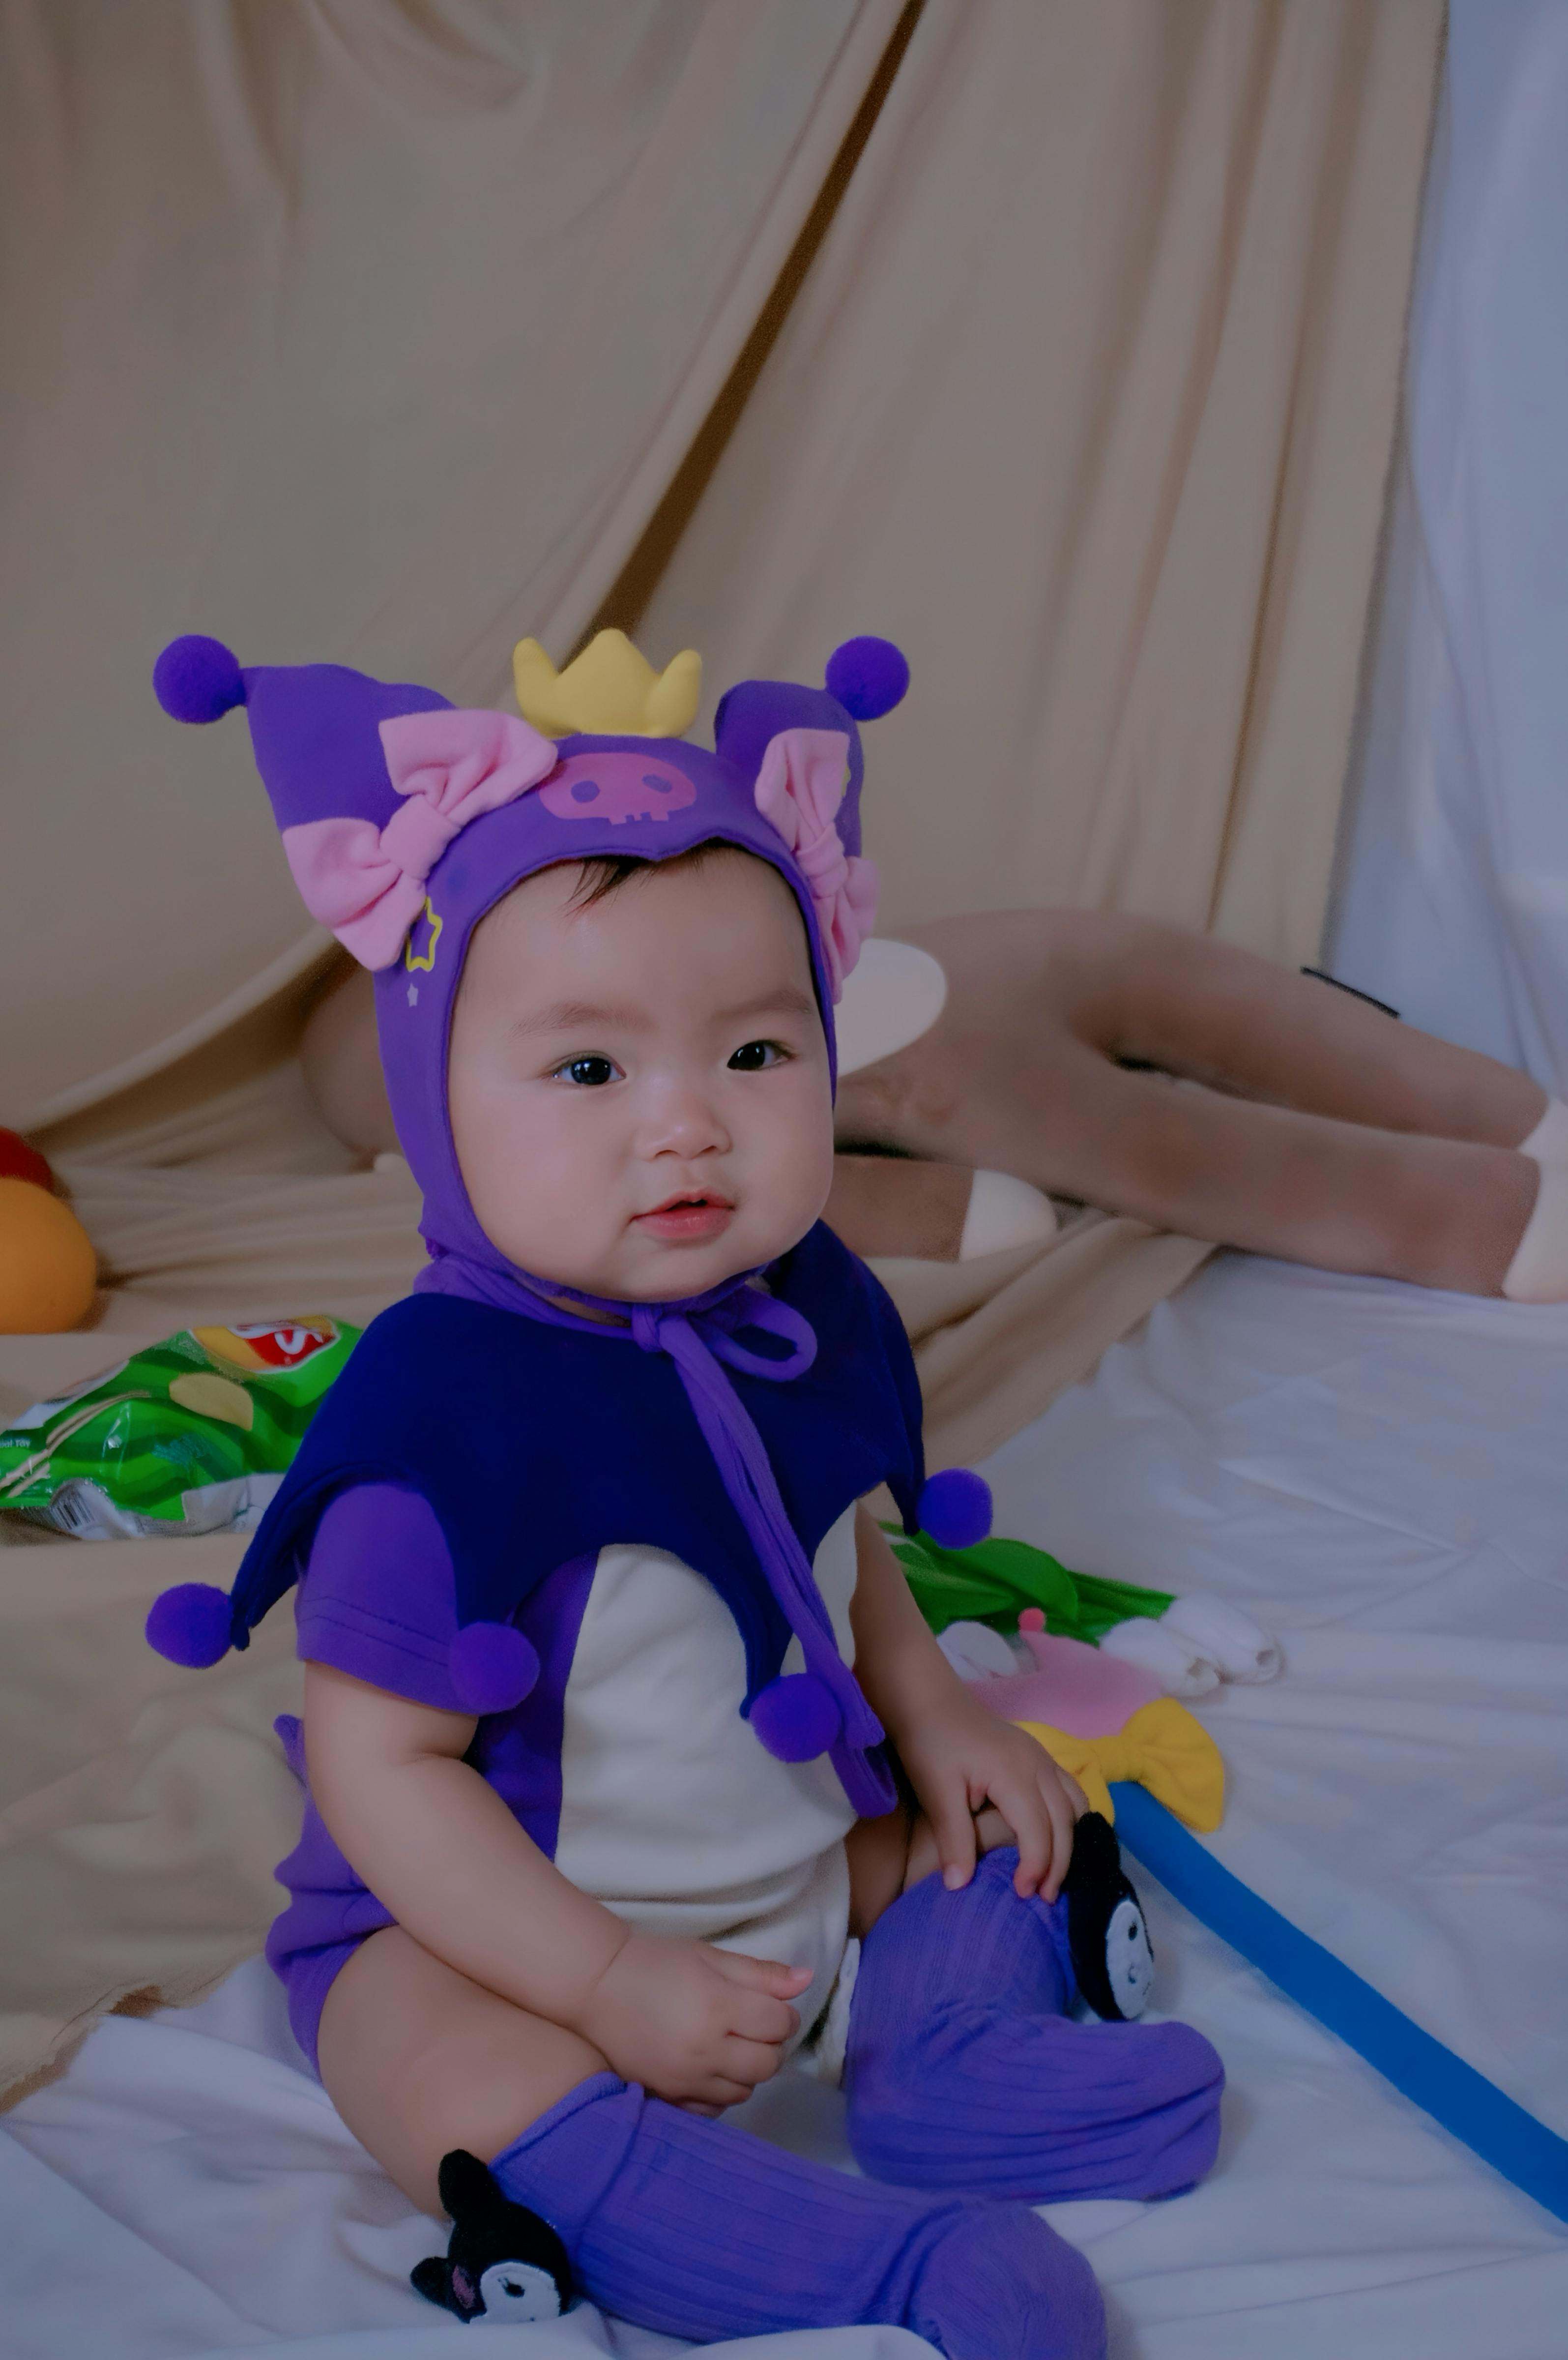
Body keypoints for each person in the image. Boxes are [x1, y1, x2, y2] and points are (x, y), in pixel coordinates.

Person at [145, 627, 1222, 2360]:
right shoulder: (440, 1417)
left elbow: (834, 1534)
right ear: (438, 1103)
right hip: (494, 1935)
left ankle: (939, 2064)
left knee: (996, 1825)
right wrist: (598, 1979)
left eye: (755, 1054)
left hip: (791, 1856)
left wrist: (932, 1705)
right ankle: (875, 2270)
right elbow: (381, 1768)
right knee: (455, 2073)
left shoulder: (808, 1313)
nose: (689, 1129)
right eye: (587, 1070)